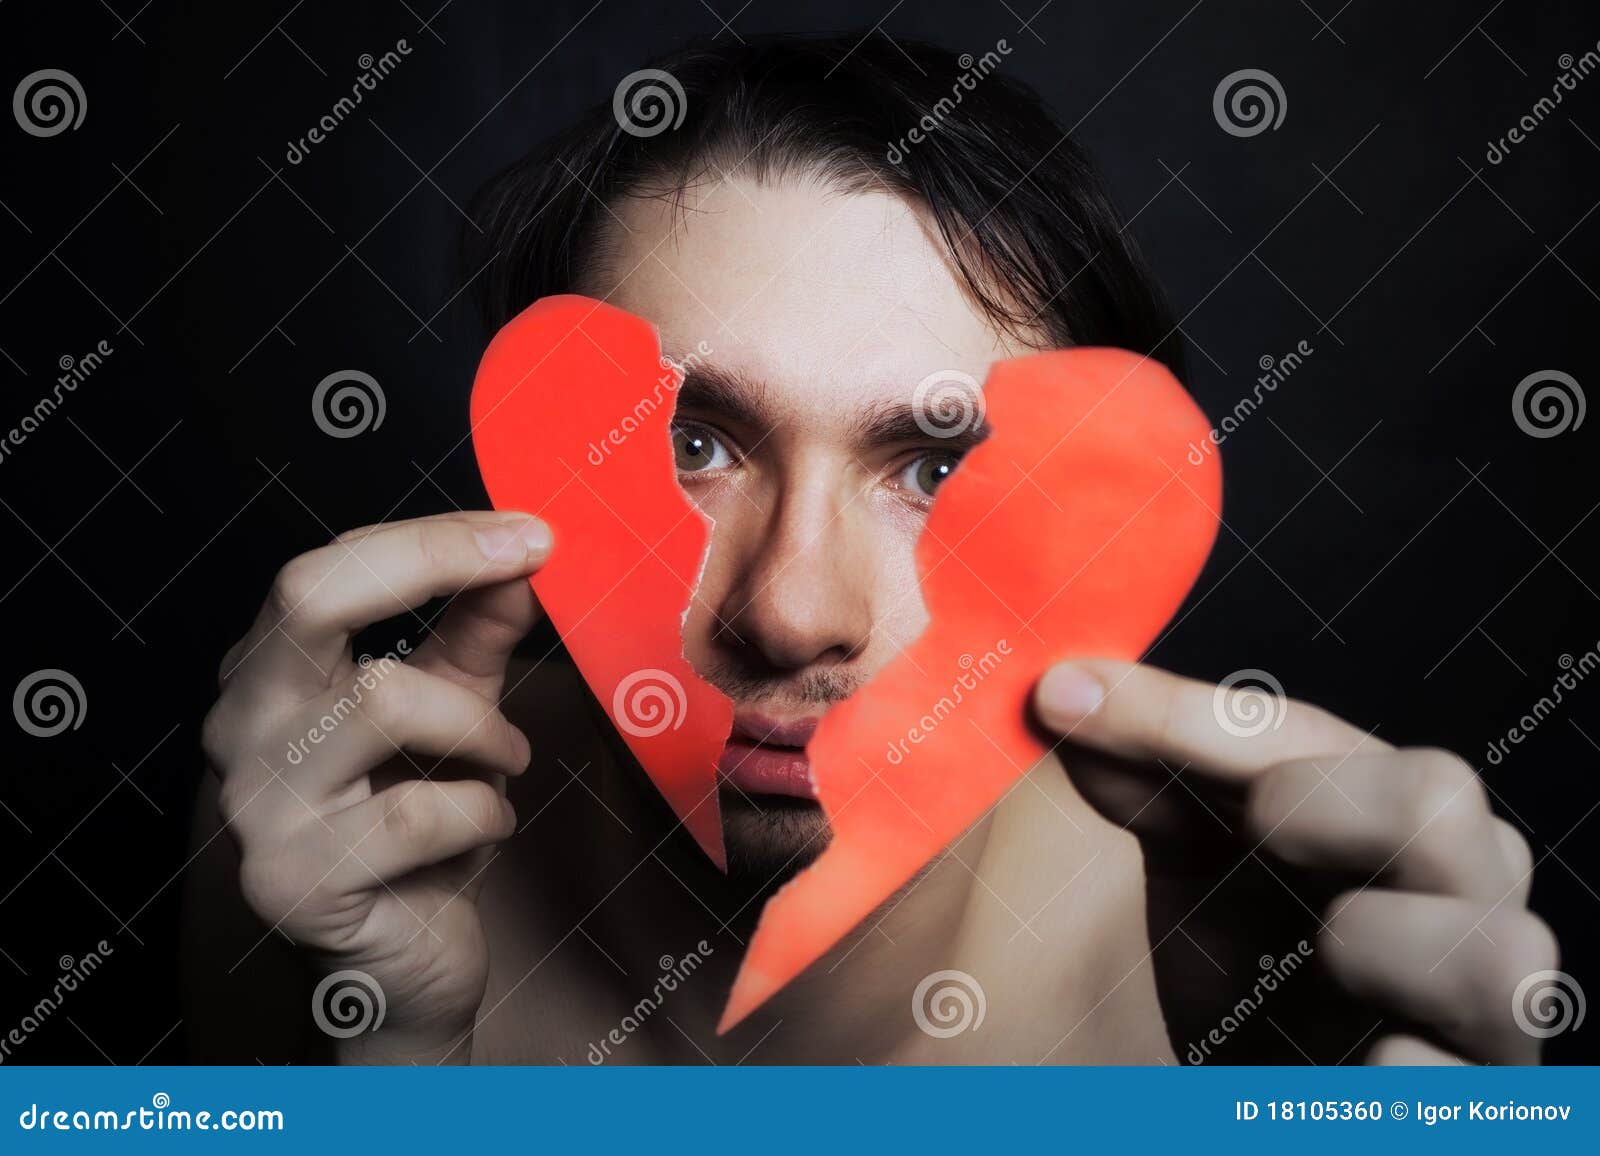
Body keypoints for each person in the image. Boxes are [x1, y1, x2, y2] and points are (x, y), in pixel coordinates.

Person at [186, 35, 1556, 1065]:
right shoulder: (328, 837)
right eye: (695, 445)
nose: (788, 612)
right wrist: (383, 1063)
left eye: (933, 468)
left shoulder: (1259, 944)